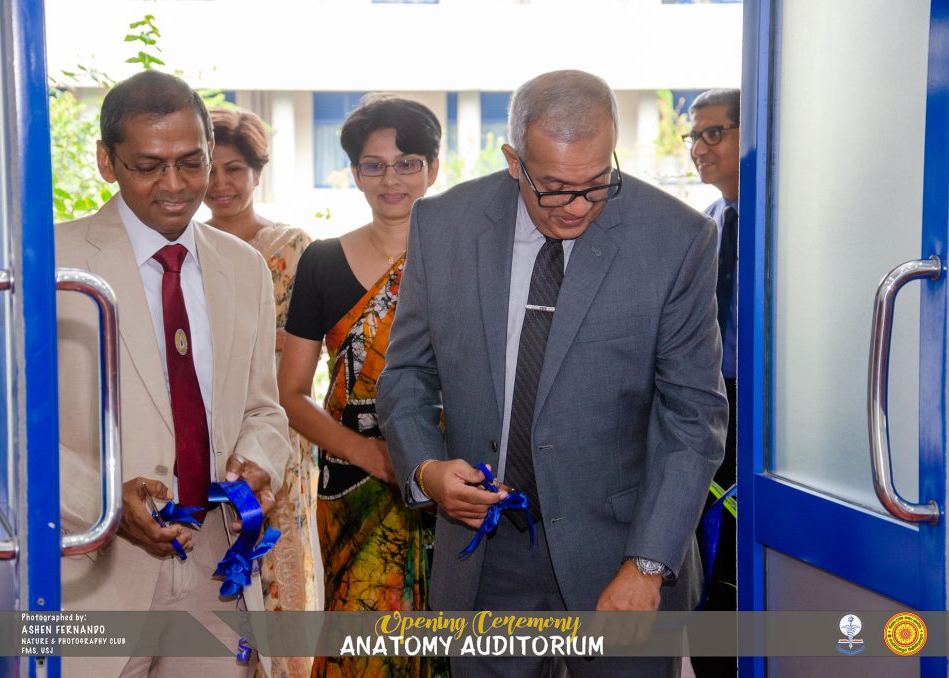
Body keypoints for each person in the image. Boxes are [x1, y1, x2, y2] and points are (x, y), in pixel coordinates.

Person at [376, 70, 728, 678]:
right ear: (514, 162)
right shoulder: (444, 225)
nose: (578, 207)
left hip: (620, 552)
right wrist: (426, 469)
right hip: (487, 553)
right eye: (557, 189)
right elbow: (406, 373)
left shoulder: (675, 239)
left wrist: (647, 565)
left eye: (597, 183)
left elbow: (694, 417)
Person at [51, 71, 291, 677]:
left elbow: (264, 408)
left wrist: (259, 458)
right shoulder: (49, 262)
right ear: (106, 162)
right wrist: (106, 503)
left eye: (191, 162)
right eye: (148, 166)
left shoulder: (244, 267)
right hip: (89, 570)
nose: (175, 185)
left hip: (216, 562)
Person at [278, 94, 448, 678]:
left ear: (433, 168)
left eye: (407, 163)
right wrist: (371, 455)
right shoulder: (322, 262)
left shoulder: (465, 259)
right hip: (356, 481)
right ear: (354, 173)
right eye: (374, 165)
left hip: (449, 474)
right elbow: (291, 394)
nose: (390, 179)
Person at [204, 105, 314, 678]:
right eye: (209, 168)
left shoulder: (292, 247)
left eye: (235, 169)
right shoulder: (182, 245)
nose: (220, 183)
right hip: (201, 425)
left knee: (274, 568)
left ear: (257, 172)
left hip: (277, 428)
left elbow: (303, 350)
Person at [685, 87, 740, 678]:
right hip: (704, 402)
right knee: (702, 540)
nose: (700, 147)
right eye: (693, 136)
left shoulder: (781, 220)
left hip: (762, 407)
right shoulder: (705, 224)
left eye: (714, 133)